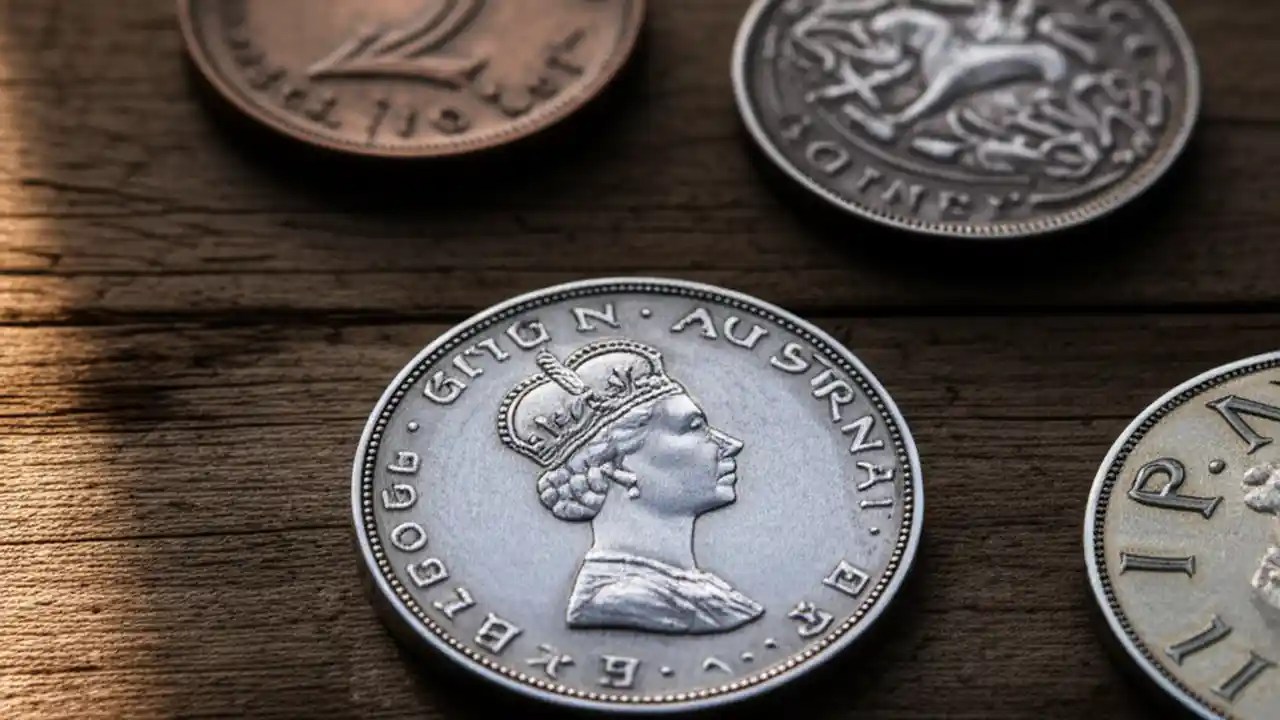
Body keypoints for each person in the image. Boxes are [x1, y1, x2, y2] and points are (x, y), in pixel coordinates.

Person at [498, 339, 764, 634]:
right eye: (693, 427)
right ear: (618, 468)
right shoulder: (625, 599)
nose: (731, 445)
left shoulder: (698, 590)